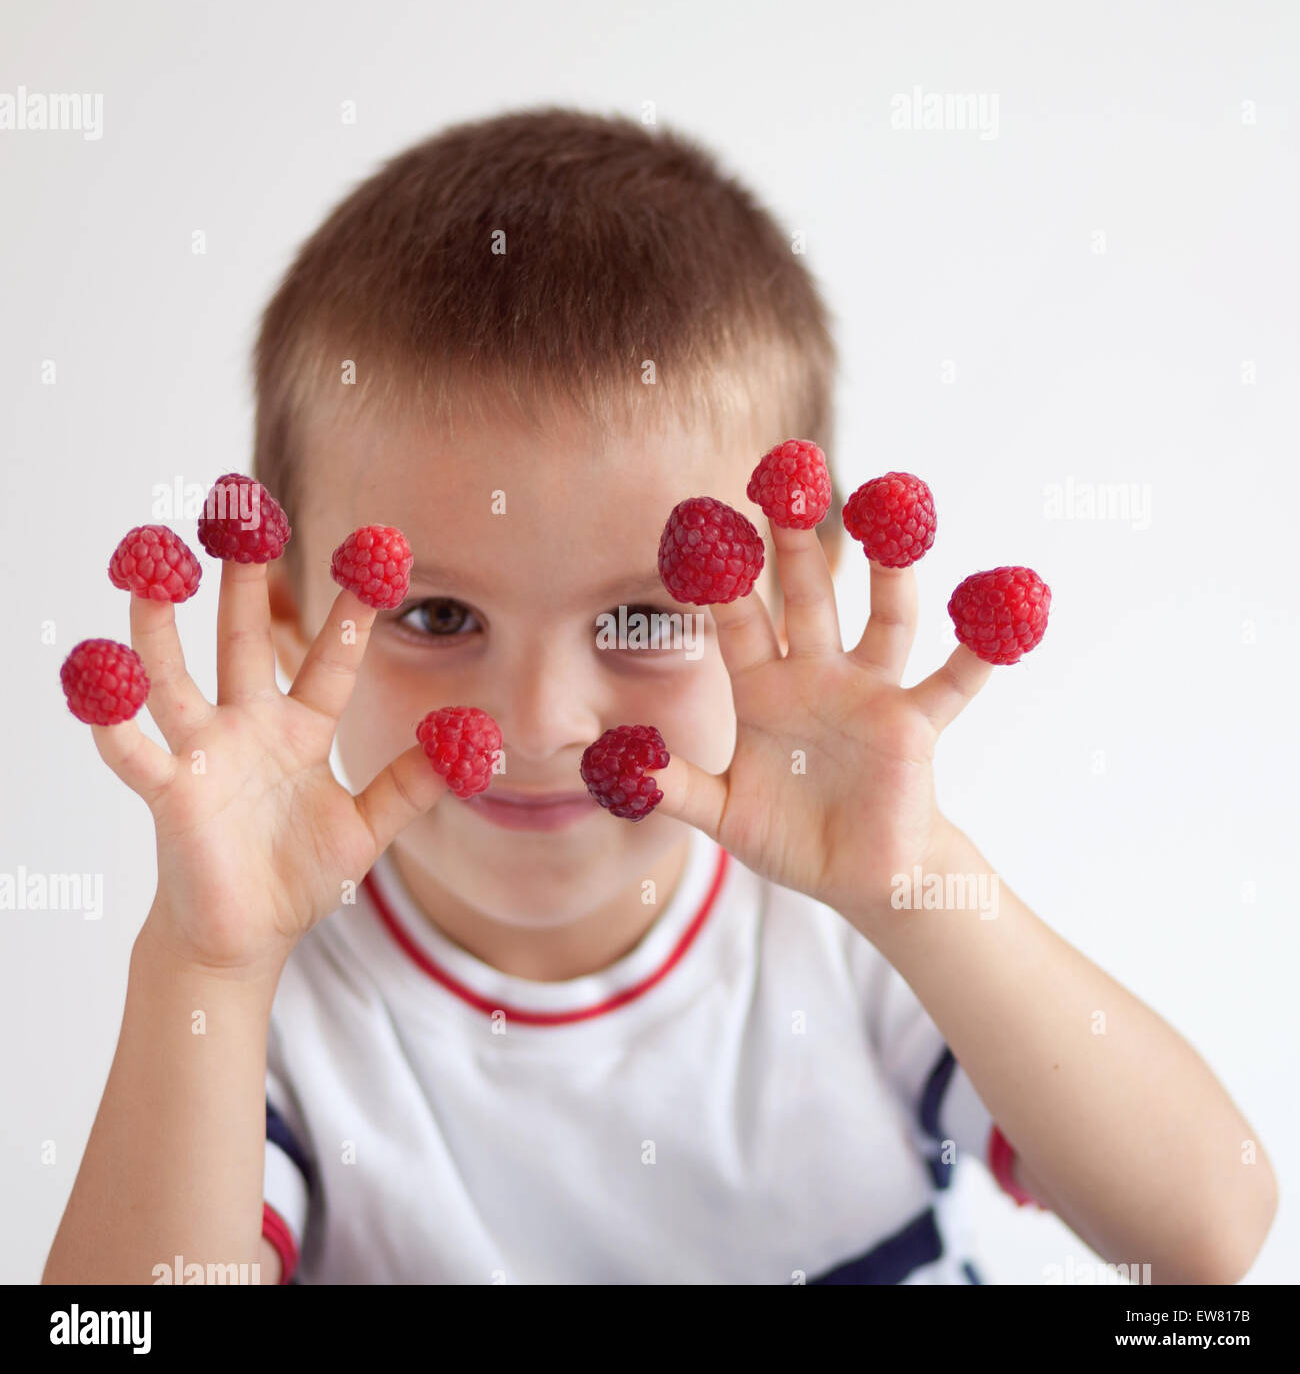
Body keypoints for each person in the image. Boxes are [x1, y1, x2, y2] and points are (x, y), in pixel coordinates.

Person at [43, 106, 1276, 1284]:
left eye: (641, 617)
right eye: (435, 615)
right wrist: (198, 975)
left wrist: (916, 887)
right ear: (286, 623)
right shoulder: (277, 1028)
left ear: (793, 610)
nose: (537, 723)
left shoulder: (855, 936)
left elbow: (1207, 1244)